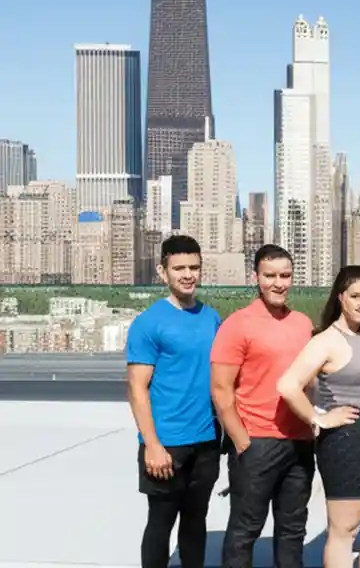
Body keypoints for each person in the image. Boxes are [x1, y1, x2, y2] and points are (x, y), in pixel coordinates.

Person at [277, 266, 360, 568]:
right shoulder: (328, 340)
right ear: (340, 297)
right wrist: (319, 419)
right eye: (355, 296)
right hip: (347, 440)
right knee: (345, 531)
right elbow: (288, 385)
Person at [211, 244, 316, 568]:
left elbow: (310, 382)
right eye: (270, 275)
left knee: (292, 532)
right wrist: (242, 441)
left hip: (299, 445)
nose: (278, 283)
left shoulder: (302, 323)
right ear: (256, 277)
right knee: (245, 532)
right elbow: (220, 390)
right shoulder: (238, 324)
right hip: (256, 444)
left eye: (285, 275)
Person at [125, 235, 222, 568]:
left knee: (196, 522)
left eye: (193, 267)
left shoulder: (212, 318)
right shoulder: (148, 323)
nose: (187, 274)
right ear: (162, 271)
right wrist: (152, 444)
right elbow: (137, 388)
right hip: (166, 443)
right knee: (160, 522)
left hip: (207, 441)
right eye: (179, 267)